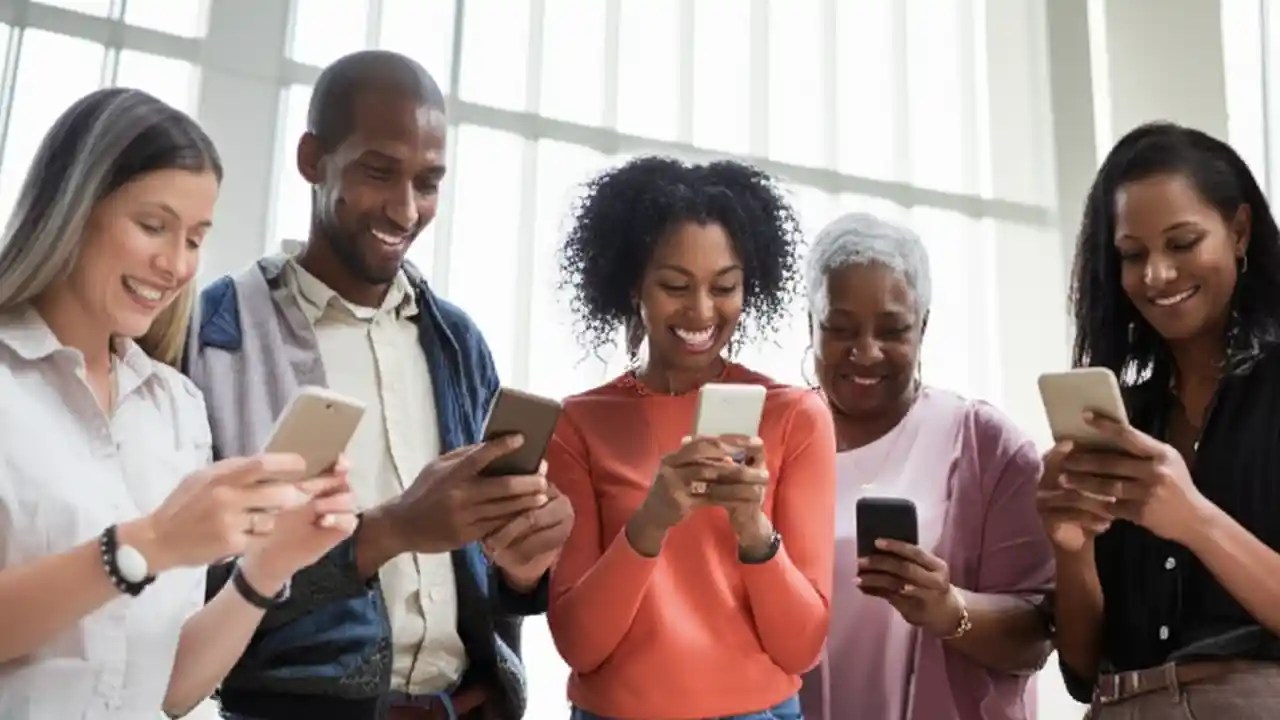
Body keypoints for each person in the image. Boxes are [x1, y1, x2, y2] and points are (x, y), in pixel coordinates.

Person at [184, 50, 574, 720]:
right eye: (378, 171)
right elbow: (186, 584)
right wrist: (391, 530)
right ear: (313, 159)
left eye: (428, 182)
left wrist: (521, 566)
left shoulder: (457, 342)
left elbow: (488, 585)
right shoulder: (218, 337)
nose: (406, 208)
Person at [0, 87, 358, 719]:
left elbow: (169, 692)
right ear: (74, 210)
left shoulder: (177, 408)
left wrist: (269, 564)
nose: (175, 265)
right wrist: (151, 542)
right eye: (153, 226)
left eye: (195, 239)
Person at [547, 156, 835, 720]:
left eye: (724, 287)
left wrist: (752, 527)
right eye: (675, 286)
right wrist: (651, 521)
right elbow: (579, 645)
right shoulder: (579, 424)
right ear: (634, 285)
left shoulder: (795, 417)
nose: (702, 311)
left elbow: (803, 646)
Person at [1042, 122, 1280, 718]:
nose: (1155, 275)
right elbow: (1080, 667)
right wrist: (1071, 548)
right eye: (1132, 255)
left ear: (1240, 231)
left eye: (1182, 243)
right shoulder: (1129, 418)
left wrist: (1194, 520)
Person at [795, 213, 1054, 720]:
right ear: (811, 324)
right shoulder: (777, 438)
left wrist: (948, 609)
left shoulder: (986, 445)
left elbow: (1038, 635)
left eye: (893, 330)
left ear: (924, 325)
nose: (866, 352)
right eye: (839, 328)